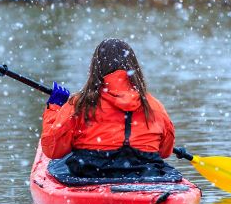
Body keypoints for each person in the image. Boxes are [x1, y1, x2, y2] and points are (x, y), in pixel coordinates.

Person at [41, 39, 181, 182]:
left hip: (92, 174)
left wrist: (55, 107)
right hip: (145, 174)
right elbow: (164, 151)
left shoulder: (80, 104)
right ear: (134, 67)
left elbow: (53, 149)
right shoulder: (153, 105)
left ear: (96, 68)